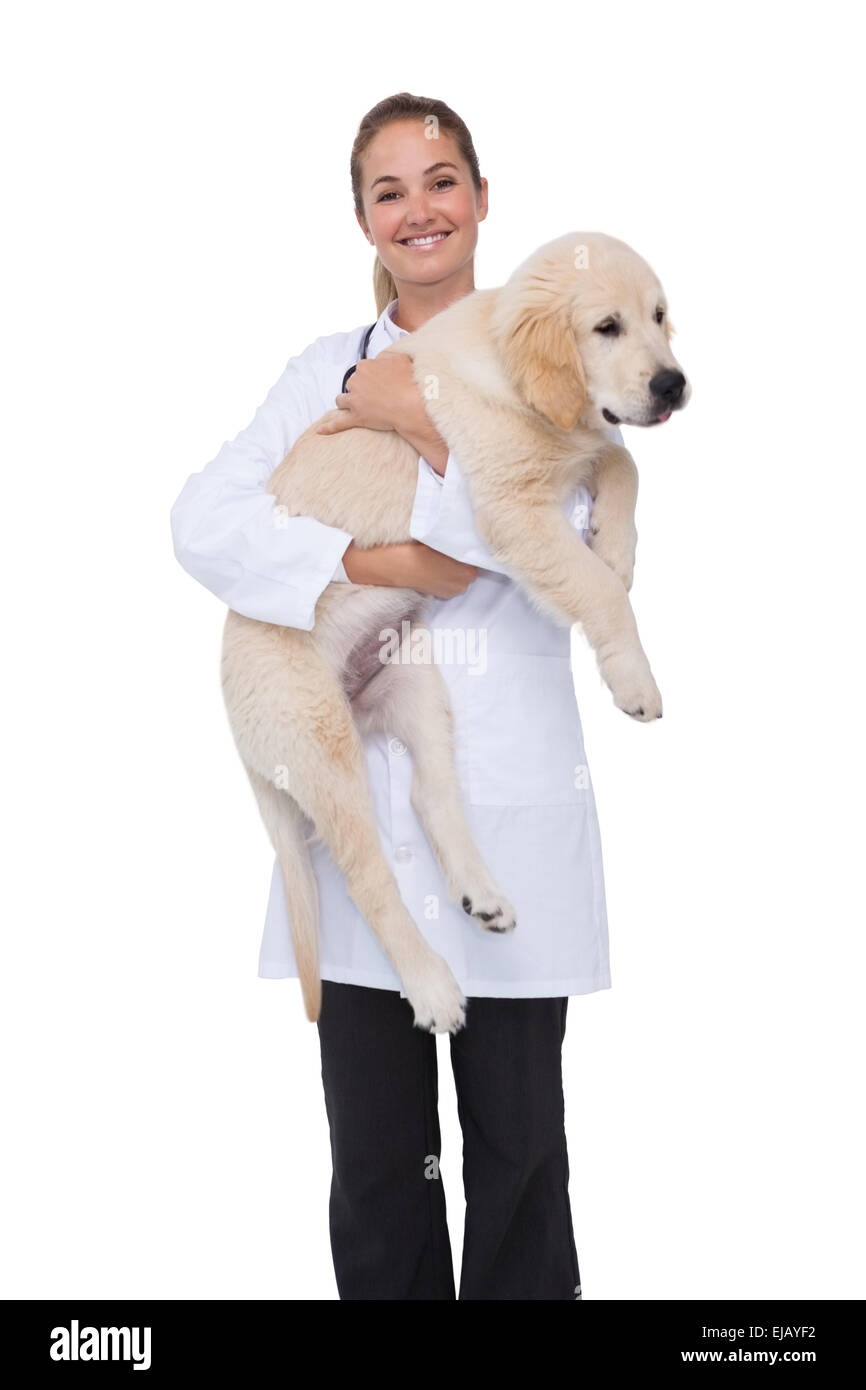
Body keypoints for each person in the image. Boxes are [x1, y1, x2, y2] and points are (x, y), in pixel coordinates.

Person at [170, 91, 626, 1300]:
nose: (418, 209)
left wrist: (420, 423)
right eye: (388, 190)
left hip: (507, 825)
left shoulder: (555, 370)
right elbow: (203, 521)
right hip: (359, 811)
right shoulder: (325, 372)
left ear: (480, 200)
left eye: (439, 181)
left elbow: (557, 549)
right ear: (363, 222)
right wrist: (364, 561)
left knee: (522, 1163)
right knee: (379, 1169)